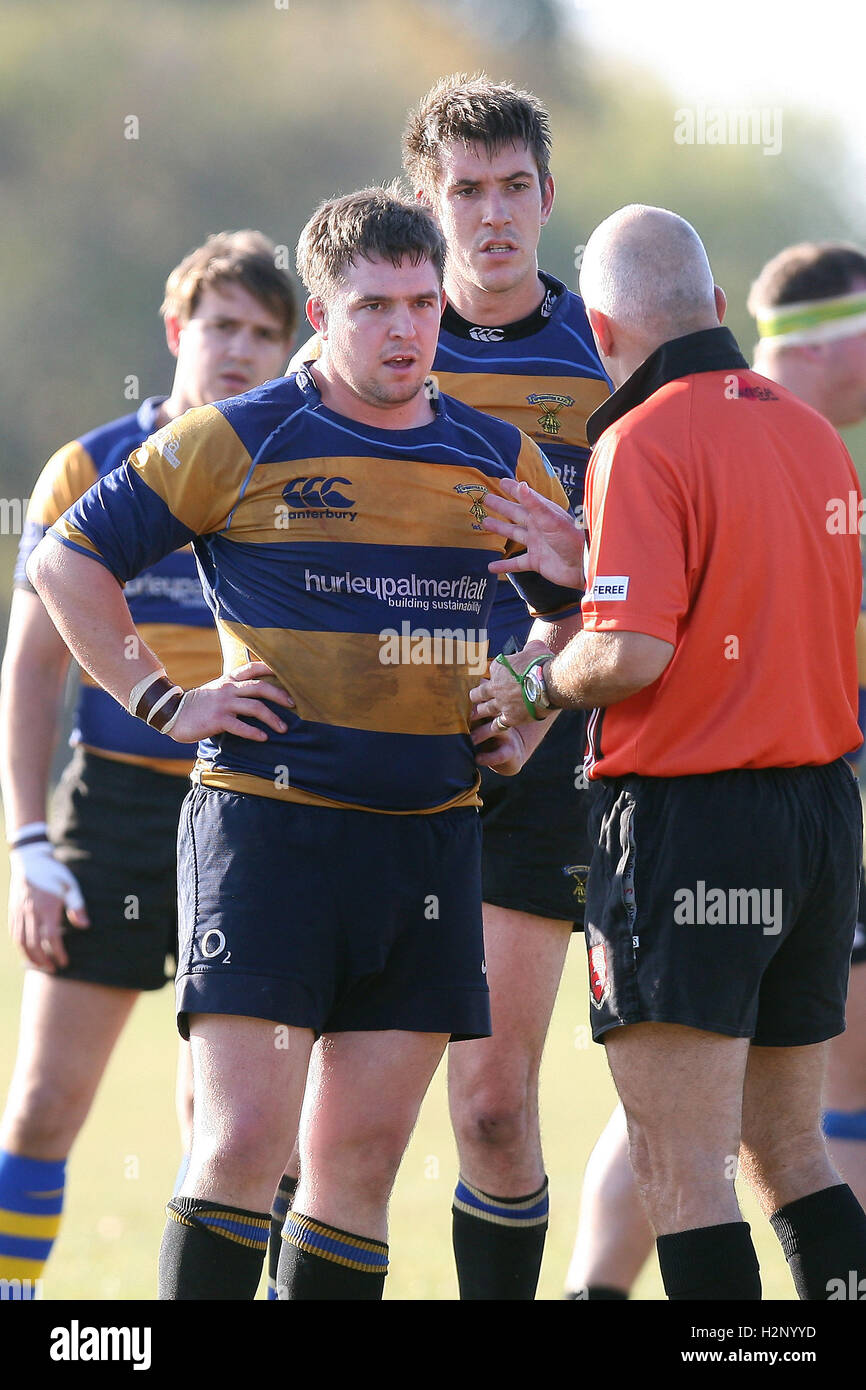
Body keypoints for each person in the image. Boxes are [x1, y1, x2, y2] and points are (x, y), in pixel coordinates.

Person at [26, 187, 586, 1301]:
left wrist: (528, 692)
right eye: (373, 304)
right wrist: (160, 698)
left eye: (422, 303)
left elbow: (571, 611)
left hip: (428, 848)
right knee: (239, 1147)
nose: (404, 328)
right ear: (322, 313)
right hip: (268, 837)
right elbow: (64, 562)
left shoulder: (495, 453)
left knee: (359, 1165)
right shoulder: (243, 434)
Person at [472, 204, 866, 1300]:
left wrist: (532, 678)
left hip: (691, 825)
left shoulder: (635, 439)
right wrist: (584, 571)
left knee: (682, 1169)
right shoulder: (804, 430)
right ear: (711, 307)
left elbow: (635, 653)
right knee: (793, 1156)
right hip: (819, 820)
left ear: (598, 330)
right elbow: (729, 599)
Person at [0, 231, 297, 1297]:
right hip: (118, 806)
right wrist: (28, 841)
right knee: (41, 1101)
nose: (239, 350)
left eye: (265, 333)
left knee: (236, 1120)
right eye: (221, 325)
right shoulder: (87, 468)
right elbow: (31, 670)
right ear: (177, 332)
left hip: (258, 809)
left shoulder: (296, 468)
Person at [402, 72, 610, 1301]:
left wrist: (538, 685)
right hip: (370, 758)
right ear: (427, 200)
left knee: (487, 1103)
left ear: (547, 196)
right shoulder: (365, 343)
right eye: (464, 190)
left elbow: (655, 568)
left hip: (538, 757)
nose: (491, 215)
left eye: (513, 188)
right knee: (320, 1100)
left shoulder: (607, 352)